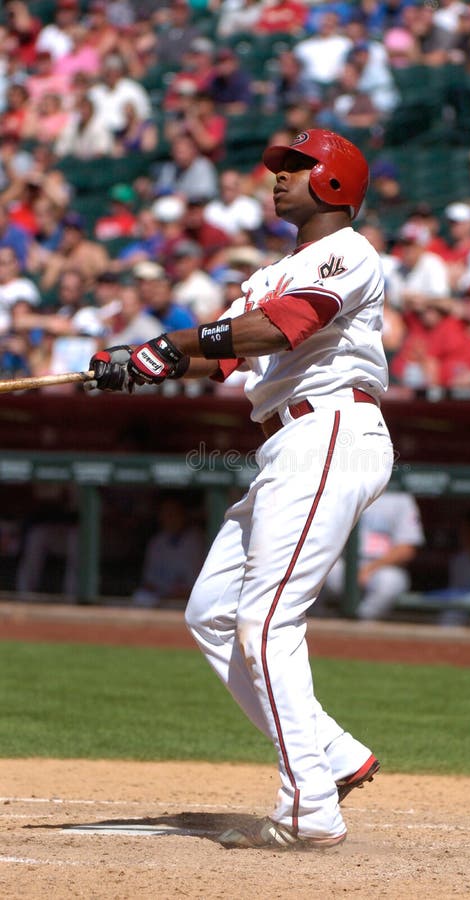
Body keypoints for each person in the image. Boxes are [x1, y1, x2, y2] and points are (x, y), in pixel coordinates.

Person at [88, 128, 394, 849]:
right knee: (213, 612)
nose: (278, 177)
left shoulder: (347, 252)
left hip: (332, 432)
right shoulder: (265, 274)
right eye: (278, 168)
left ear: (333, 183)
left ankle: (308, 811)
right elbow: (224, 358)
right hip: (288, 443)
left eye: (295, 167)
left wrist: (174, 344)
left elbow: (281, 329)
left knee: (265, 622)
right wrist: (138, 363)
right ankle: (336, 753)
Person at [323, 489, 424, 620]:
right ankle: (322, 623)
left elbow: (407, 549)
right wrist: (352, 571)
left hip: (381, 567)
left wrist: (369, 568)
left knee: (389, 582)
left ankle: (358, 623)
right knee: (324, 571)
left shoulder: (401, 497)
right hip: (344, 564)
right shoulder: (346, 490)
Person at [131, 495, 204, 608]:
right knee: (141, 596)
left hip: (188, 598)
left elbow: (198, 584)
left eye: (173, 514)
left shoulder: (196, 539)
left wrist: (179, 594)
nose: (169, 518)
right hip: (161, 597)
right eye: (165, 514)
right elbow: (149, 581)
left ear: (182, 515)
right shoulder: (156, 542)